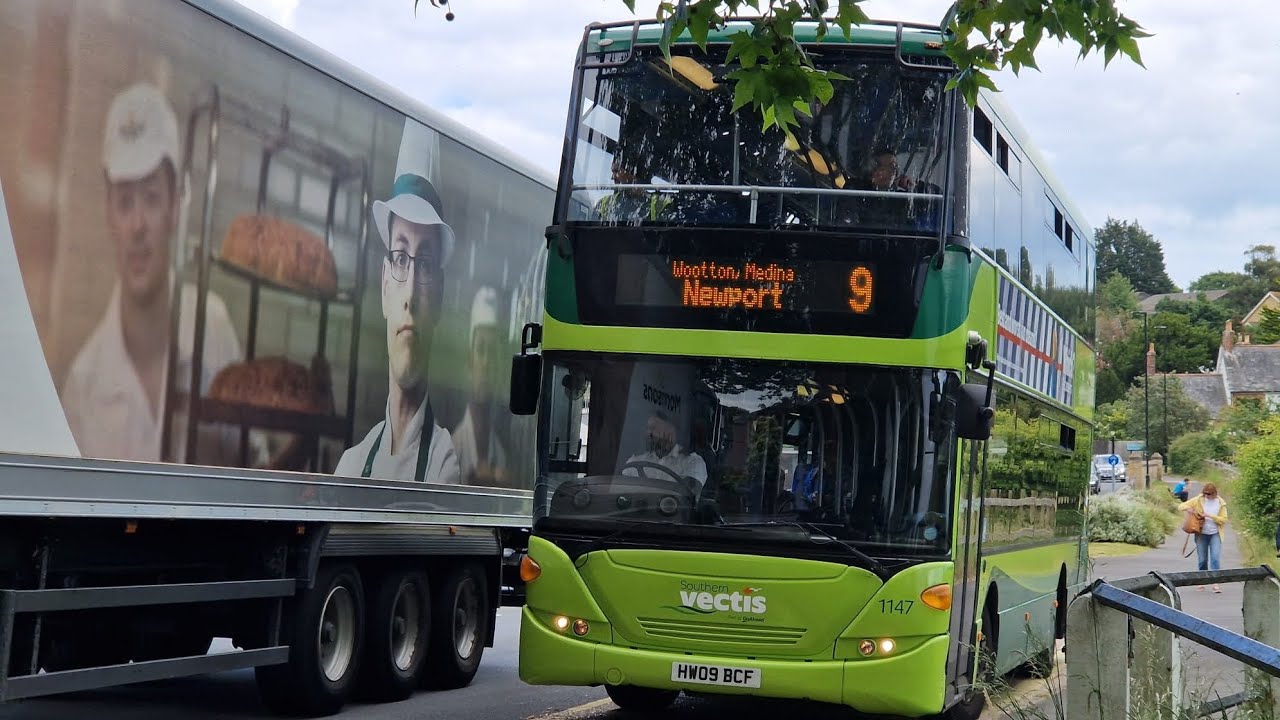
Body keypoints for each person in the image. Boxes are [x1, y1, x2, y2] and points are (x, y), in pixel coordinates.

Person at [61, 82, 251, 466]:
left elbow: (252, 476)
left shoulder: (212, 329)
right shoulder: (82, 388)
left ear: (175, 208)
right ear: (107, 214)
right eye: (125, 202)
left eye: (150, 198)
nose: (137, 226)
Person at [335, 121, 460, 485]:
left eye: (425, 263)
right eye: (401, 257)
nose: (409, 298)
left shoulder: (443, 463)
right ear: (384, 284)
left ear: (437, 297)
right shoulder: (352, 465)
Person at [453, 286, 508, 486]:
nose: (486, 363)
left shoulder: (499, 455)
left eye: (492, 353)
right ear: (470, 362)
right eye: (480, 350)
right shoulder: (450, 451)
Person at [621, 412, 707, 494]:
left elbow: (689, 492)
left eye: (653, 428)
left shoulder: (693, 462)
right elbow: (619, 487)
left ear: (670, 432)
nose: (648, 433)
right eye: (647, 428)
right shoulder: (636, 460)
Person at [1179, 482, 1229, 592]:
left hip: (1215, 533)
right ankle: (1202, 581)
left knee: (1215, 558)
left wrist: (1210, 516)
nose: (1207, 496)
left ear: (1215, 493)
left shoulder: (1221, 503)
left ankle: (1215, 582)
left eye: (1210, 494)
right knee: (1202, 560)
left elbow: (1224, 519)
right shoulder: (1198, 499)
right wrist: (1189, 509)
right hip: (1201, 533)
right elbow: (1181, 505)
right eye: (1206, 494)